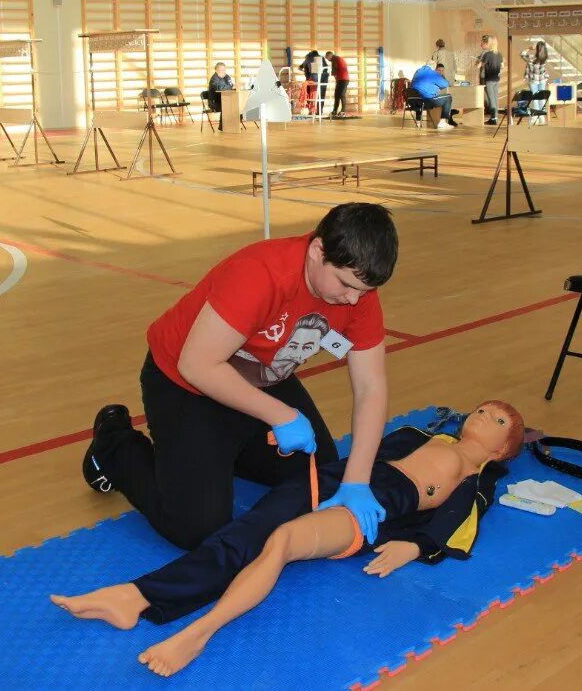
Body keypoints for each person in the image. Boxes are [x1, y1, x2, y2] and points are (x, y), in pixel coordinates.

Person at [54, 400, 525, 678]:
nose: (485, 415)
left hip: (370, 511)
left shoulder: (476, 478)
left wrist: (416, 546)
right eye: (483, 408)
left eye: (499, 421)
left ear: (504, 449)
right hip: (342, 480)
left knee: (279, 541)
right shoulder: (417, 434)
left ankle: (194, 634)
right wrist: (338, 476)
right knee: (248, 532)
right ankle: (134, 596)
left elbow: (461, 520)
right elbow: (367, 452)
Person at [81, 203, 399, 551]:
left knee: (323, 480)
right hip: (187, 384)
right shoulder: (260, 273)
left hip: (260, 379)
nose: (353, 299)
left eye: (363, 291)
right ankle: (114, 445)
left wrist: (357, 481)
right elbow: (197, 365)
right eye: (346, 284)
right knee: (197, 528)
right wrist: (281, 415)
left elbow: (371, 387)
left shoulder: (358, 292)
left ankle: (220, 453)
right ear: (317, 251)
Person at [410, 63, 457, 129]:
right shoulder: (432, 73)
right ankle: (442, 122)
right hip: (426, 101)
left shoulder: (418, 71)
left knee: (419, 93)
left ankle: (418, 122)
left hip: (413, 102)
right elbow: (446, 84)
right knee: (448, 97)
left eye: (442, 70)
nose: (440, 72)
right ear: (434, 68)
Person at [476, 35, 503, 124]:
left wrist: (480, 62)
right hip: (496, 79)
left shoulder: (487, 54)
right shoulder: (499, 54)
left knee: (491, 99)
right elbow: (502, 66)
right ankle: (495, 117)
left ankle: (493, 118)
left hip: (489, 80)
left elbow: (479, 66)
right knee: (495, 98)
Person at [520, 40, 549, 116]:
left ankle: (536, 115)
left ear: (537, 48)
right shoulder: (545, 58)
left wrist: (529, 48)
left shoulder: (532, 58)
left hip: (533, 80)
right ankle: (541, 116)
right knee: (541, 98)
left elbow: (522, 54)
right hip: (542, 80)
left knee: (535, 98)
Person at [324, 51, 349, 117]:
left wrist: (331, 75)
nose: (327, 60)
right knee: (337, 95)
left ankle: (343, 111)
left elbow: (334, 71)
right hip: (341, 79)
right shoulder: (336, 59)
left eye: (327, 58)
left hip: (343, 79)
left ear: (329, 55)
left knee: (342, 95)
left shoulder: (335, 59)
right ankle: (335, 111)